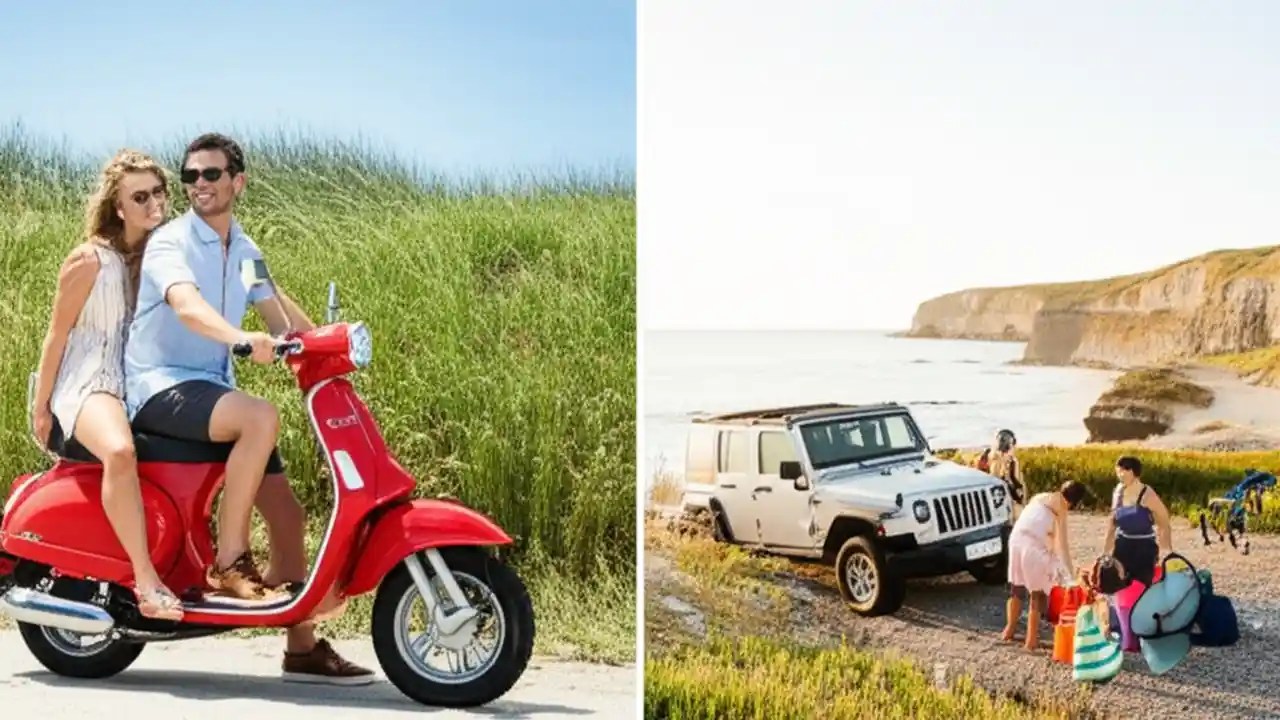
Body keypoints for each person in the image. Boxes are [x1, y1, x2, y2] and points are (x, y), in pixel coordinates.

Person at [123, 132, 373, 684]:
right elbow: (187, 307)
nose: (199, 186)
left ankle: (302, 648)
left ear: (238, 182)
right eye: (190, 177)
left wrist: (327, 342)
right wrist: (240, 339)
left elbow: (275, 307)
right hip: (161, 386)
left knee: (289, 516)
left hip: (211, 388)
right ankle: (228, 562)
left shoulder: (244, 251)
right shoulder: (172, 244)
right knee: (259, 415)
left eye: (211, 175)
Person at [29, 149, 183, 621]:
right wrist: (42, 408)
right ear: (118, 206)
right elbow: (57, 336)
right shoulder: (89, 259)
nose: (151, 202)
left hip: (131, 385)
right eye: (139, 196)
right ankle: (145, 580)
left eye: (158, 192)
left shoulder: (154, 259)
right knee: (119, 452)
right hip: (89, 384)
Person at [1000, 480, 1087, 651]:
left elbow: (1034, 523)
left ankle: (1008, 630)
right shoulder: (1061, 509)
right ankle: (1031, 641)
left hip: (1016, 540)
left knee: (1016, 588)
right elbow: (1063, 546)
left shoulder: (1040, 497)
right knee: (1037, 594)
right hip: (1032, 548)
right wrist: (1071, 575)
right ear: (1073, 502)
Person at [1102, 455, 1173, 590]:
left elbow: (1164, 523)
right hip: (1122, 544)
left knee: (1142, 586)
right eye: (1118, 472)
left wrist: (1167, 552)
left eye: (1123, 471)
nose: (1120, 475)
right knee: (1117, 584)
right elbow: (1112, 523)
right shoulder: (1118, 491)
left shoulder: (1147, 494)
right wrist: (1105, 552)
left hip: (1144, 547)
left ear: (1133, 472)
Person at [977, 429, 1028, 521]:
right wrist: (1020, 498)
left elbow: (979, 476)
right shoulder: (1010, 460)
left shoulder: (986, 456)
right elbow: (1014, 482)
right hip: (1000, 499)